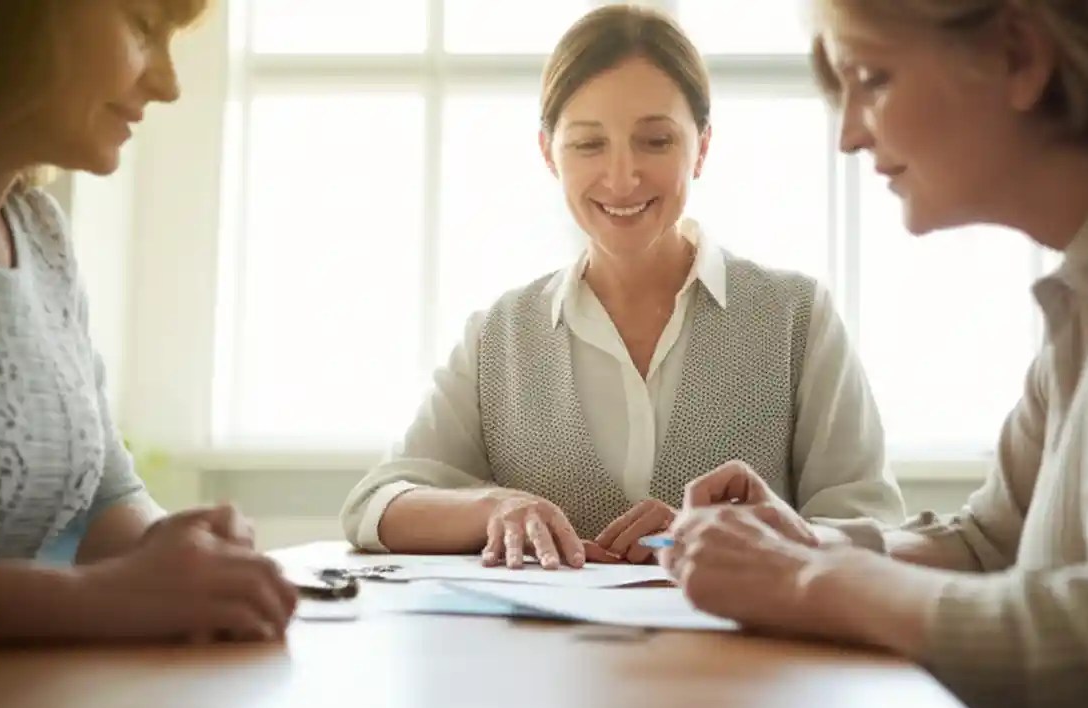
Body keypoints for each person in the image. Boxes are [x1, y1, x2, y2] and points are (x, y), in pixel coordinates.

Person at [662, 0, 1088, 708]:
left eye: (873, 79)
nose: (847, 134)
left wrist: (806, 582)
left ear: (1020, 57)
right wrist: (799, 541)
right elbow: (988, 547)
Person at [340, 4, 905, 570]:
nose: (621, 177)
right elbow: (375, 505)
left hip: (738, 655)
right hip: (540, 658)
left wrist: (741, 536)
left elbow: (872, 528)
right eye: (589, 145)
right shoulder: (499, 338)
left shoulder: (796, 320)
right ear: (548, 154)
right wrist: (496, 506)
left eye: (655, 141)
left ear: (702, 147)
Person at [0, 0, 297, 643]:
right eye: (145, 29)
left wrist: (184, 553)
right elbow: (98, 590)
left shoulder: (38, 236)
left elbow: (103, 498)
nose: (168, 84)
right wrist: (96, 599)